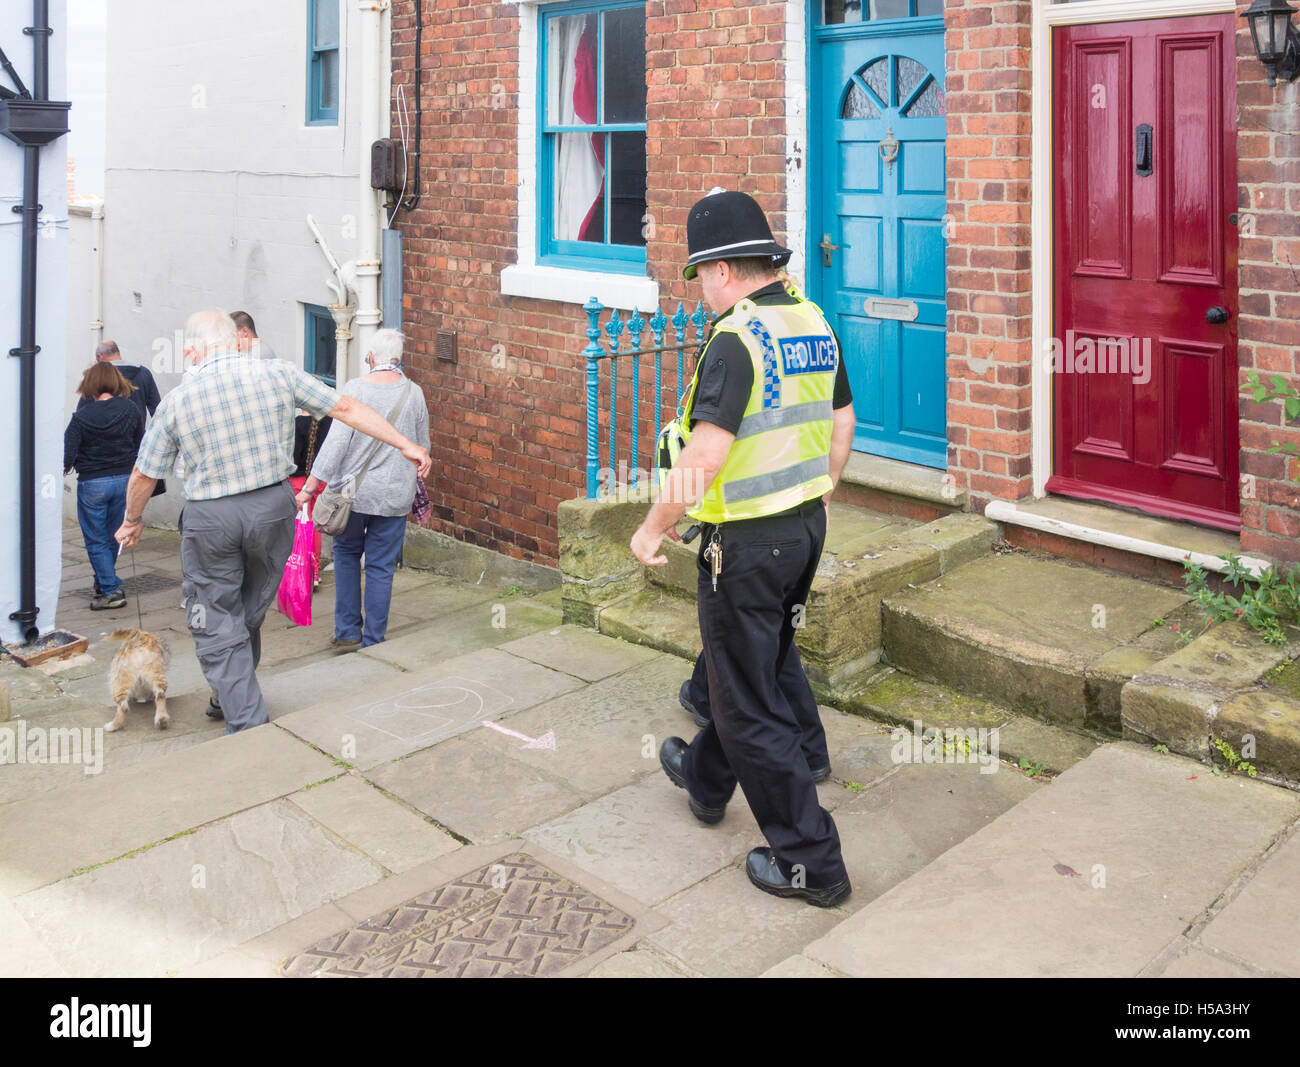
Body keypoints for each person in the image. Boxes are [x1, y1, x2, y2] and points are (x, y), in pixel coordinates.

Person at [631, 189, 857, 907]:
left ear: (723, 269)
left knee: (745, 700)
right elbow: (843, 417)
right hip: (804, 531)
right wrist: (823, 487)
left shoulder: (737, 336)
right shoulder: (812, 320)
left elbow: (705, 452)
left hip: (748, 545)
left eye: (699, 275)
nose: (698, 291)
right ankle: (704, 780)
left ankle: (811, 860)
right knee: (755, 670)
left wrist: (653, 524)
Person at [114, 310, 432, 734]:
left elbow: (143, 474)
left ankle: (246, 720)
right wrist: (405, 444)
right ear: (239, 341)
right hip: (272, 509)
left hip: (212, 519)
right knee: (248, 608)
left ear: (191, 350)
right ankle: (227, 692)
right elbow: (347, 407)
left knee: (214, 617)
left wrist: (133, 520)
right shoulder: (279, 374)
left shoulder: (178, 400)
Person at [297, 329, 429, 649]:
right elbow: (421, 446)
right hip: (396, 495)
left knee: (345, 555)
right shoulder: (415, 393)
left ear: (370, 358)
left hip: (352, 496)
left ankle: (347, 631)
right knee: (381, 566)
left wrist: (310, 487)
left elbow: (335, 445)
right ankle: (374, 639)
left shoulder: (356, 388)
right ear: (398, 358)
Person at [64, 362, 145, 610]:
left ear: (89, 385)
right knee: (113, 536)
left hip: (93, 484)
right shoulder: (131, 409)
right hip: (124, 481)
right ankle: (104, 583)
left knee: (95, 539)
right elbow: (140, 443)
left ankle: (110, 590)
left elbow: (67, 457)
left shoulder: (80, 418)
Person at [289, 408, 332, 588]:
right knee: (313, 527)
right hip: (319, 482)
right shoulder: (329, 422)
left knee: (298, 527)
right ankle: (314, 573)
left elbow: (294, 456)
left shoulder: (298, 423)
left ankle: (300, 570)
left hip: (299, 481)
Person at [78, 340, 161, 422]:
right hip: (136, 433)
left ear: (100, 356)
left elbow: (81, 413)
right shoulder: (143, 373)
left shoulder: (96, 376)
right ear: (118, 353)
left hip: (103, 433)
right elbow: (158, 411)